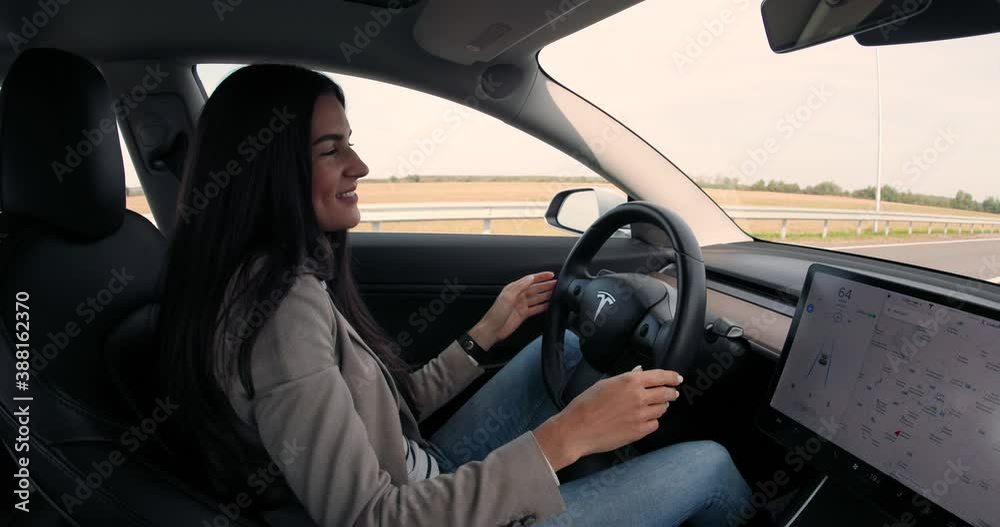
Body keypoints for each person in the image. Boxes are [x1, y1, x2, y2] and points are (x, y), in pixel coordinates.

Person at [156, 64, 753, 526]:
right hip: (419, 509)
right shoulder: (280, 312)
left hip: (423, 471)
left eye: (350, 143)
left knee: (571, 349)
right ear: (267, 168)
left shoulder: (274, 277)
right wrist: (567, 439)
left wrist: (485, 333)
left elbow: (381, 416)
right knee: (708, 464)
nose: (359, 165)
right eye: (331, 149)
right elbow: (368, 518)